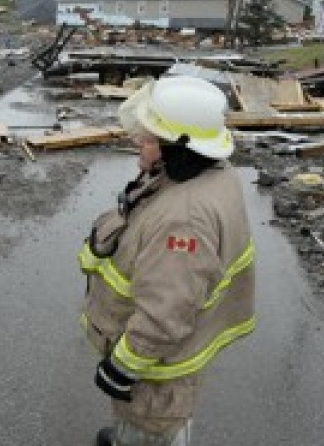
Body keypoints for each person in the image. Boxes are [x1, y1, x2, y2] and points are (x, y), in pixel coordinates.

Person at [78, 76, 256, 446]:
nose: (136, 145)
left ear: (177, 148)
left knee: (154, 422)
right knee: (153, 421)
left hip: (156, 366)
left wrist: (122, 366)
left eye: (146, 139)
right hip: (169, 353)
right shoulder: (211, 171)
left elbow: (165, 314)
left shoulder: (183, 220)